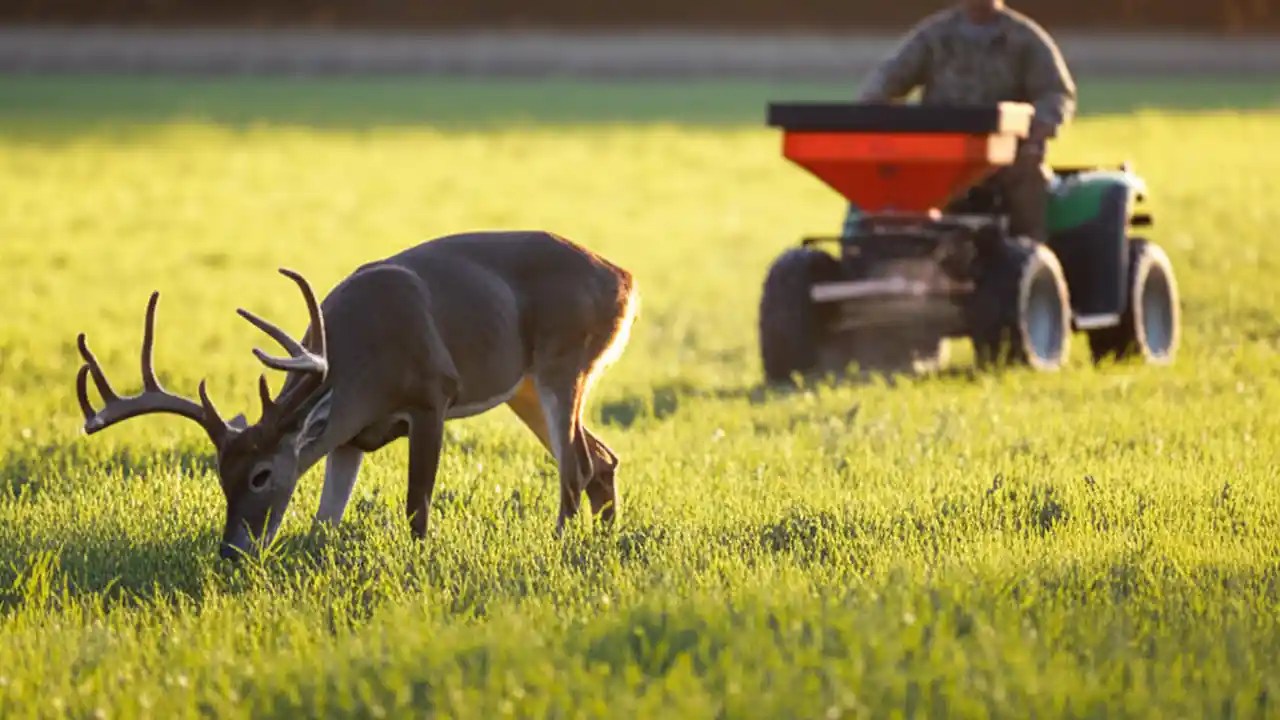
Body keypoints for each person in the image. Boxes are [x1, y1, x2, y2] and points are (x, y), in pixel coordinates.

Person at [853, 0, 1077, 242]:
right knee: (879, 180)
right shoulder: (935, 36)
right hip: (940, 156)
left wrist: (1036, 128)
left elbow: (1056, 94)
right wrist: (874, 107)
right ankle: (880, 248)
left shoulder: (1024, 38)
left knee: (1029, 174)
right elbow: (887, 79)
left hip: (1004, 158)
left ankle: (1030, 249)